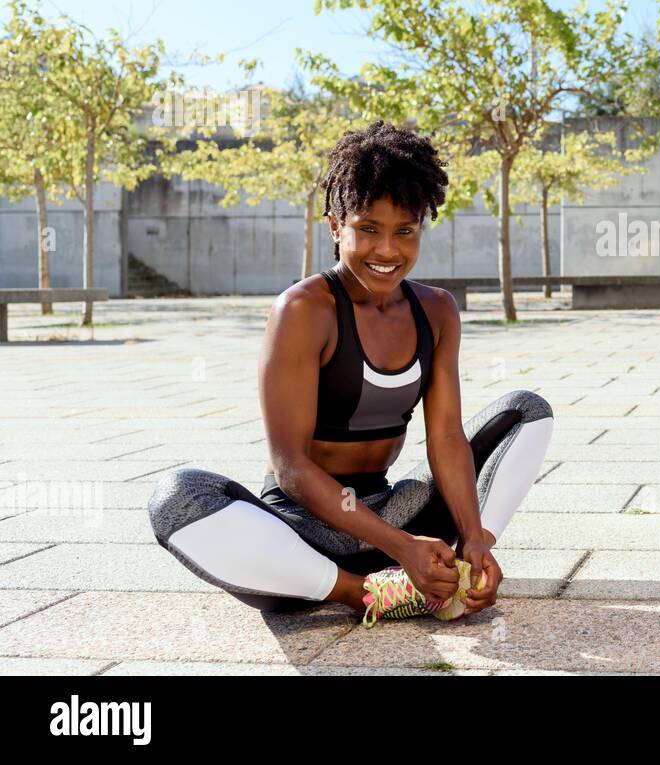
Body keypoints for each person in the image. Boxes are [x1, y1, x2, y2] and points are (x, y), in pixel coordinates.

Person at [147, 120, 554, 627]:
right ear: (335, 225)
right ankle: (363, 594)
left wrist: (473, 536)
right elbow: (290, 467)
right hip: (304, 539)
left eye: (405, 231)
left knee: (528, 411)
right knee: (176, 498)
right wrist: (401, 547)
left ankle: (460, 569)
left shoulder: (437, 311)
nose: (387, 251)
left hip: (390, 509)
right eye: (368, 229)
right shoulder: (303, 310)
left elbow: (446, 435)